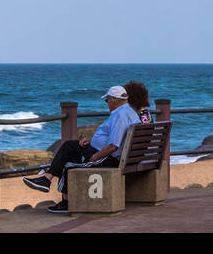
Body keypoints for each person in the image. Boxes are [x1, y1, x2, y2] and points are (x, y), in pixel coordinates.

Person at [24, 85, 139, 214]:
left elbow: (114, 146)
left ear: (113, 99)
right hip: (118, 155)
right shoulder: (128, 112)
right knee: (69, 146)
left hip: (108, 159)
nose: (107, 103)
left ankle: (67, 203)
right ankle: (47, 178)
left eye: (107, 100)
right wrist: (92, 140)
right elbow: (116, 137)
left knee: (69, 164)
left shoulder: (120, 116)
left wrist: (96, 157)